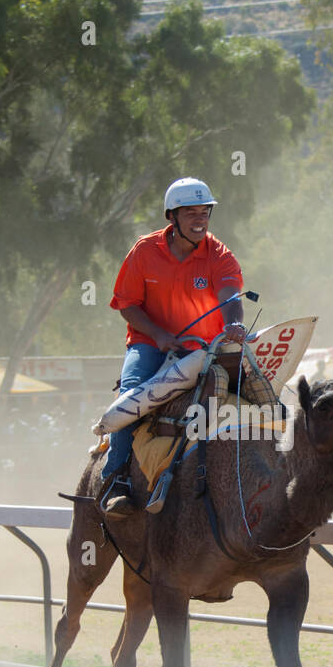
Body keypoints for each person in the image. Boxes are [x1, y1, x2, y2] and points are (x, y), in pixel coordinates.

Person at [100, 177, 248, 519]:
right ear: (172, 217)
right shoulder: (144, 251)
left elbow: (230, 296)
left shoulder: (220, 254)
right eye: (191, 212)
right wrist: (159, 334)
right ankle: (116, 479)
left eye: (205, 212)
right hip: (149, 343)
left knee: (257, 394)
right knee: (132, 393)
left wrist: (234, 324)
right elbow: (127, 304)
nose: (200, 219)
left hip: (206, 348)